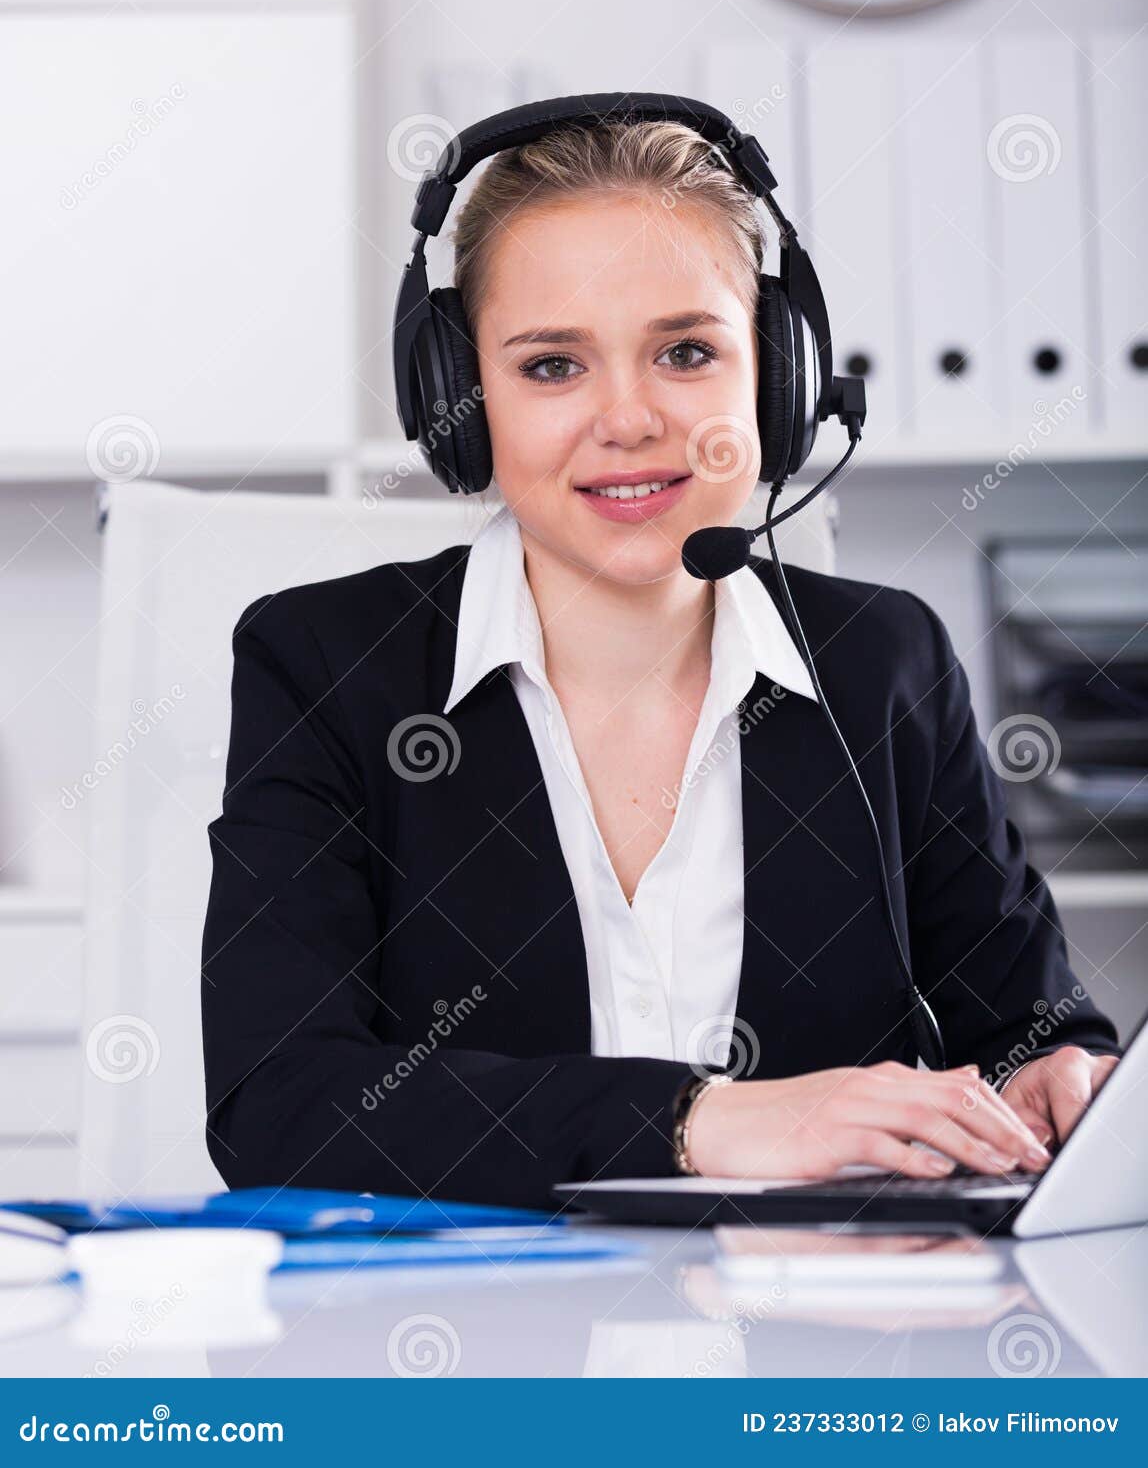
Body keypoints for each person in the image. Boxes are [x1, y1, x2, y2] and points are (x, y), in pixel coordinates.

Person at [201, 115, 1119, 1208]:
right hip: (470, 1353)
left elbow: (1024, 1025)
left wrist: (1055, 1079)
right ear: (460, 402)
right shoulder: (324, 665)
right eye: (551, 365)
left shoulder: (881, 663)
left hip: (818, 1357)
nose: (628, 419)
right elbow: (279, 1106)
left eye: (685, 353)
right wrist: (696, 1120)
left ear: (775, 380)